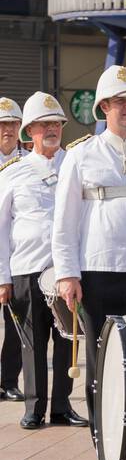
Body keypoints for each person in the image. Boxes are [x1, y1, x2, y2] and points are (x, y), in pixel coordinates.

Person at [53, 66, 126, 428]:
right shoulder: (80, 155)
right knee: (102, 360)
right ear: (103, 107)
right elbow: (65, 221)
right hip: (99, 271)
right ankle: (105, 437)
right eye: (120, 102)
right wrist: (67, 274)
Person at [0, 94, 87, 429]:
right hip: (26, 268)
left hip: (68, 270)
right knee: (32, 343)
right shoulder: (12, 172)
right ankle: (34, 408)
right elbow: (3, 228)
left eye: (56, 124)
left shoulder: (77, 163)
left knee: (68, 340)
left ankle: (63, 406)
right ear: (29, 131)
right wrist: (3, 277)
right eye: (44, 124)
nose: (52, 129)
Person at [0, 97, 27, 402]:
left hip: (18, 255)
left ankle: (9, 381)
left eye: (12, 124)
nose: (8, 129)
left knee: (16, 324)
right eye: (2, 124)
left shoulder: (27, 162)